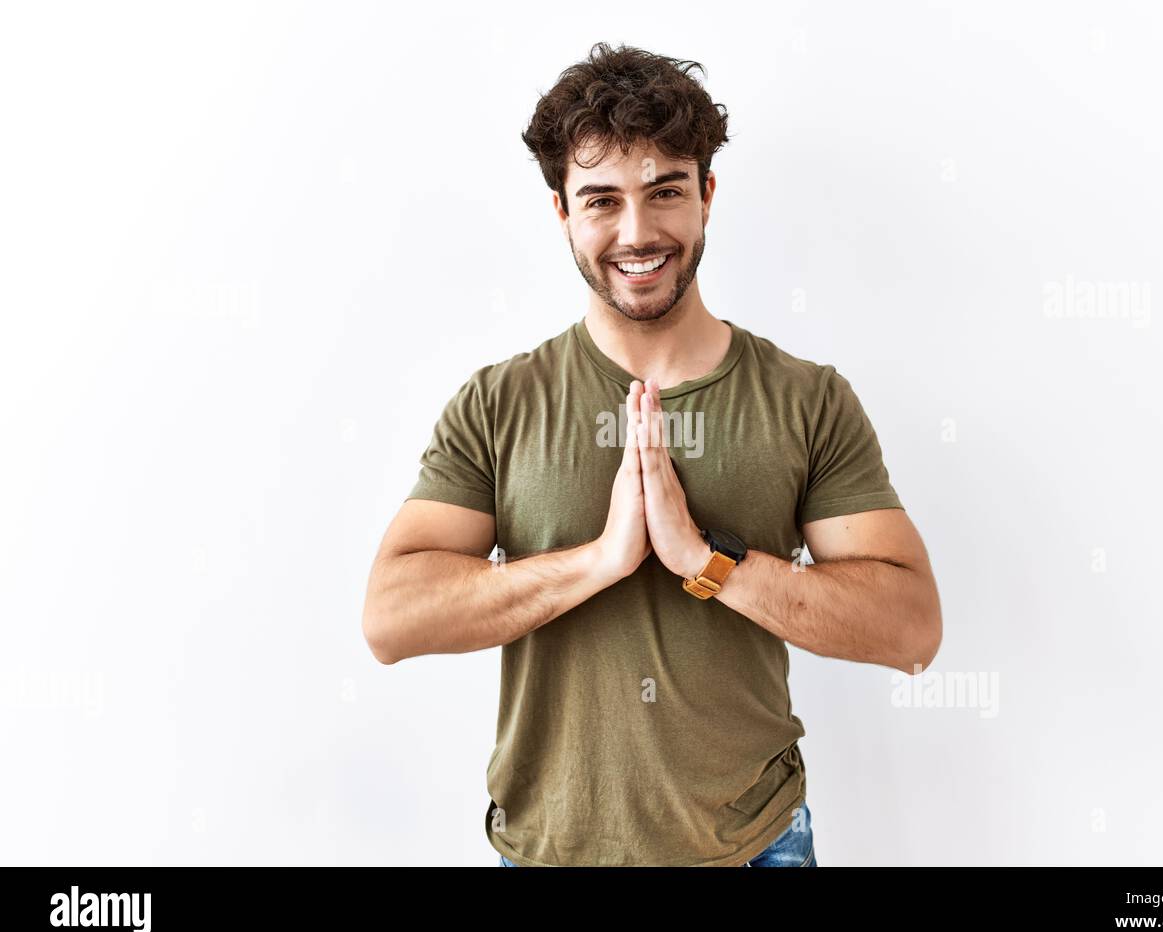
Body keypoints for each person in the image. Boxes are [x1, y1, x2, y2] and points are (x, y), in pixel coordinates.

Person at [362, 42, 942, 867]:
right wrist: (601, 560)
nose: (637, 233)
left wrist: (707, 561)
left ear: (706, 195)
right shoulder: (499, 402)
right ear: (562, 212)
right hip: (543, 854)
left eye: (665, 191)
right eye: (601, 200)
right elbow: (389, 619)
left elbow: (911, 631)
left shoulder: (808, 399)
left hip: (755, 850)